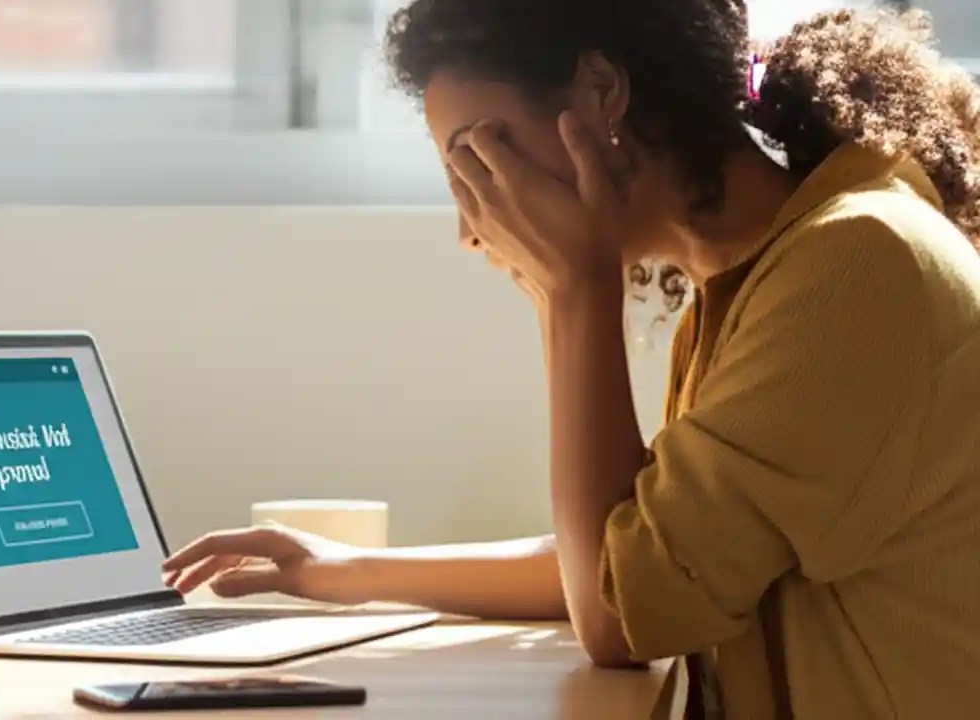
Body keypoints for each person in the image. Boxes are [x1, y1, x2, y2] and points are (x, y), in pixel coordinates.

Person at [163, 3, 980, 717]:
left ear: (600, 95)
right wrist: (340, 570)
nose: (472, 227)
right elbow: (635, 552)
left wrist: (575, 292)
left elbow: (622, 615)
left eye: (480, 161)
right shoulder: (755, 281)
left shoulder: (854, 264)